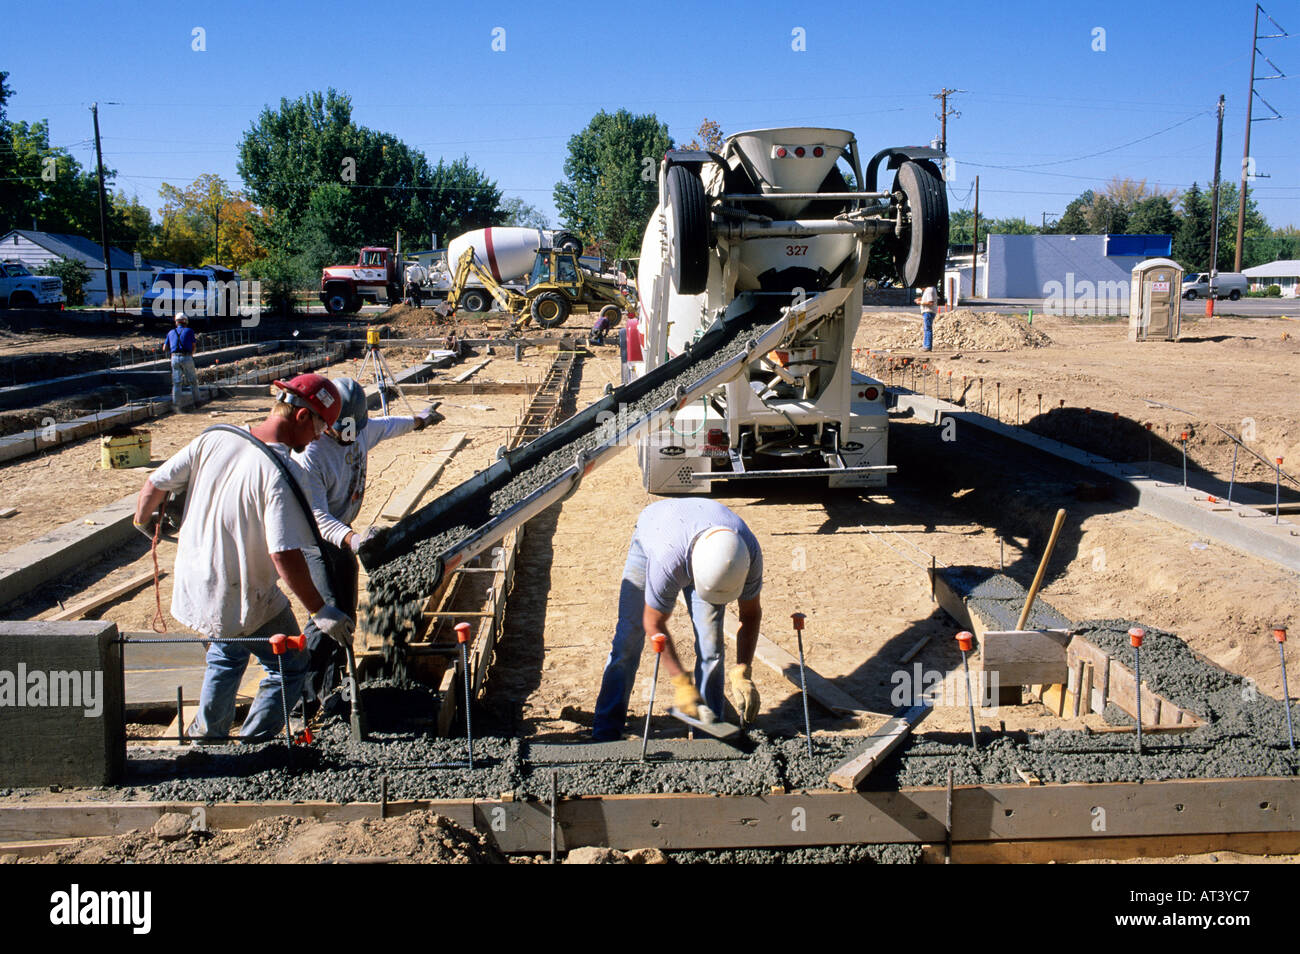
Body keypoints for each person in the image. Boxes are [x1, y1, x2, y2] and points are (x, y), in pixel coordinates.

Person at [133, 373, 356, 743]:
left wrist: (144, 523)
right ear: (302, 417)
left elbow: (153, 488)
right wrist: (320, 611)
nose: (320, 437)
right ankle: (255, 743)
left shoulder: (215, 437)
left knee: (227, 650)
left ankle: (208, 737)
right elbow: (283, 554)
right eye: (320, 426)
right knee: (290, 665)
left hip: (195, 581)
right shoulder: (284, 474)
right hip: (243, 593)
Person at [293, 378, 439, 700]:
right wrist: (355, 540)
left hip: (343, 535)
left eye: (352, 430)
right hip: (313, 541)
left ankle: (332, 684)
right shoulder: (311, 455)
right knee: (326, 613)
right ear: (326, 421)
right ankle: (301, 696)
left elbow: (387, 426)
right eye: (340, 429)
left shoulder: (361, 431)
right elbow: (317, 519)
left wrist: (420, 421)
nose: (348, 437)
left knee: (346, 613)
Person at [592, 499, 764, 741]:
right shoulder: (666, 560)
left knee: (711, 647)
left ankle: (708, 733)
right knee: (627, 639)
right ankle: (606, 730)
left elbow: (751, 614)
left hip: (706, 541)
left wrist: (742, 670)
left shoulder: (746, 554)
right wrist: (680, 681)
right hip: (657, 533)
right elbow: (653, 623)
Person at [166, 313, 201, 411]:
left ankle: (176, 406)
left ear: (176, 322)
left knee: (177, 383)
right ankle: (197, 403)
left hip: (174, 358)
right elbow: (193, 345)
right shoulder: (189, 331)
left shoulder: (170, 332)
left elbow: (165, 347)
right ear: (185, 321)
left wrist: (173, 352)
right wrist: (191, 355)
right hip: (186, 357)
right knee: (193, 381)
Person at [916, 285, 937, 352]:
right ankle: (926, 346)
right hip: (929, 311)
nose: (921, 289)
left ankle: (927, 346)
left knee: (927, 329)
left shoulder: (929, 290)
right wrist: (921, 299)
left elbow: (930, 302)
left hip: (928, 311)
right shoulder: (930, 289)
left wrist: (920, 302)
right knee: (927, 329)